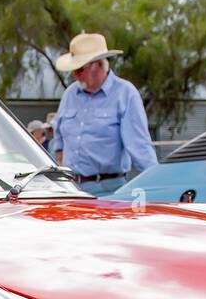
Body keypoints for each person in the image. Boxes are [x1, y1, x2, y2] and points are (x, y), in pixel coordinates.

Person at [52, 32, 157, 194]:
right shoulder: (70, 94)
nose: (75, 75)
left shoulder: (125, 94)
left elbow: (139, 147)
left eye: (80, 69)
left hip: (109, 189)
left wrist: (156, 186)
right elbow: (58, 136)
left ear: (99, 65)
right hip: (71, 189)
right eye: (74, 70)